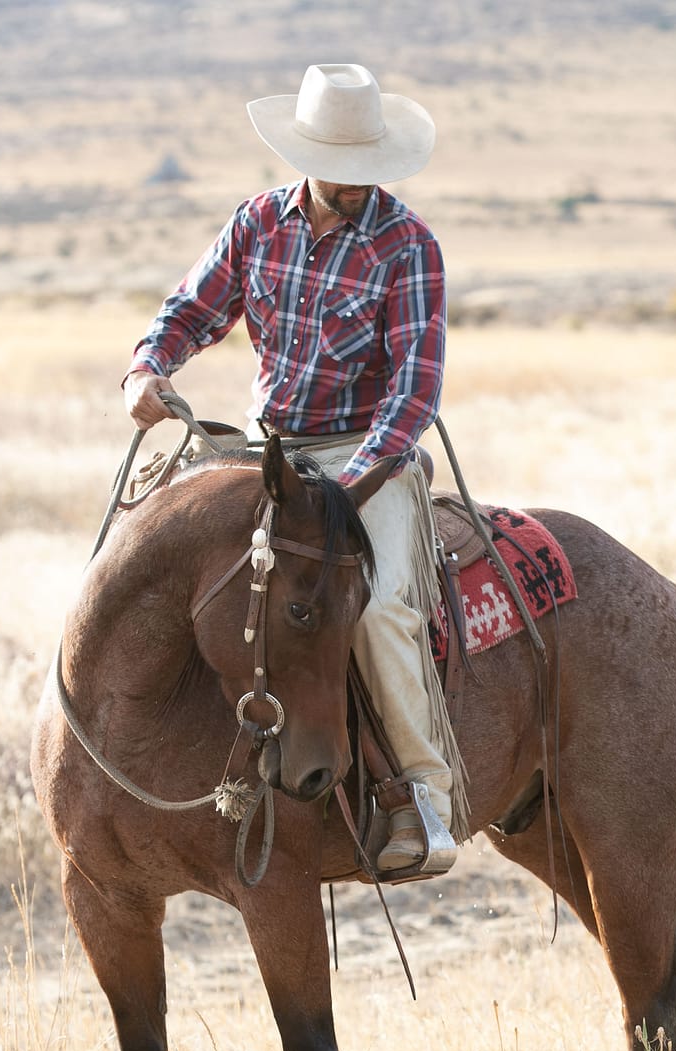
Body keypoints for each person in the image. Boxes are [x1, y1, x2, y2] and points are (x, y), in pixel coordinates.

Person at [121, 63, 469, 875]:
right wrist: (148, 367)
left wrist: (350, 493)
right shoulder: (256, 225)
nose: (354, 188)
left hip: (363, 456)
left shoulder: (408, 246)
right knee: (157, 558)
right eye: (340, 172)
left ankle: (423, 797)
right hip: (265, 446)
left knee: (379, 608)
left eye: (366, 173)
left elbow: (414, 392)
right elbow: (191, 311)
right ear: (306, 155)